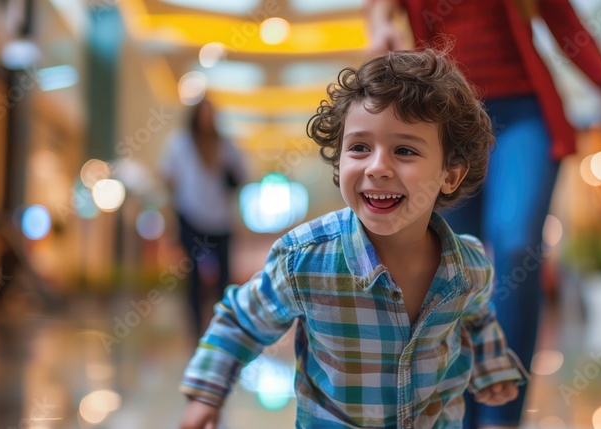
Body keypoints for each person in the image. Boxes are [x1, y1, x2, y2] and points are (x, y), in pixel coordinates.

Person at [179, 49, 528, 429]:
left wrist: (492, 366)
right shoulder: (305, 260)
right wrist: (205, 393)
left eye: (405, 150)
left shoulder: (469, 267)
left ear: (450, 175)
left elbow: (477, 317)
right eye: (360, 147)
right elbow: (241, 321)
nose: (377, 167)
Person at [366, 1, 601, 427]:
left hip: (523, 113)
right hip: (443, 121)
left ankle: (501, 415)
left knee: (515, 246)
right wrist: (380, 25)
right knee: (449, 272)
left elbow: (561, 17)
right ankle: (459, 412)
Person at [161, 99, 248, 339]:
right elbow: (167, 178)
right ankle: (194, 331)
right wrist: (169, 216)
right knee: (193, 279)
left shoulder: (226, 145)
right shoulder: (179, 144)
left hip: (221, 218)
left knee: (224, 278)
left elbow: (242, 175)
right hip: (190, 216)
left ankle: (223, 331)